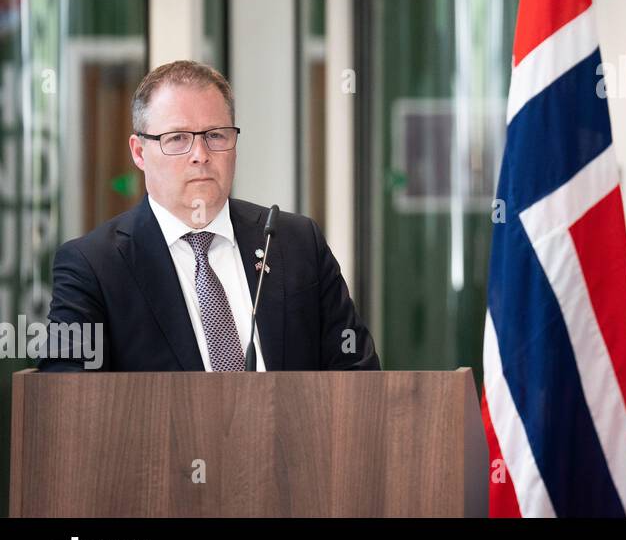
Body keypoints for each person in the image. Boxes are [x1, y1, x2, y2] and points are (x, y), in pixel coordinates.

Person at [39, 60, 379, 371]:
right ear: (139, 152)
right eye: (177, 139)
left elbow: (357, 374)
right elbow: (68, 398)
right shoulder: (93, 266)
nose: (200, 155)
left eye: (216, 135)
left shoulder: (296, 243)